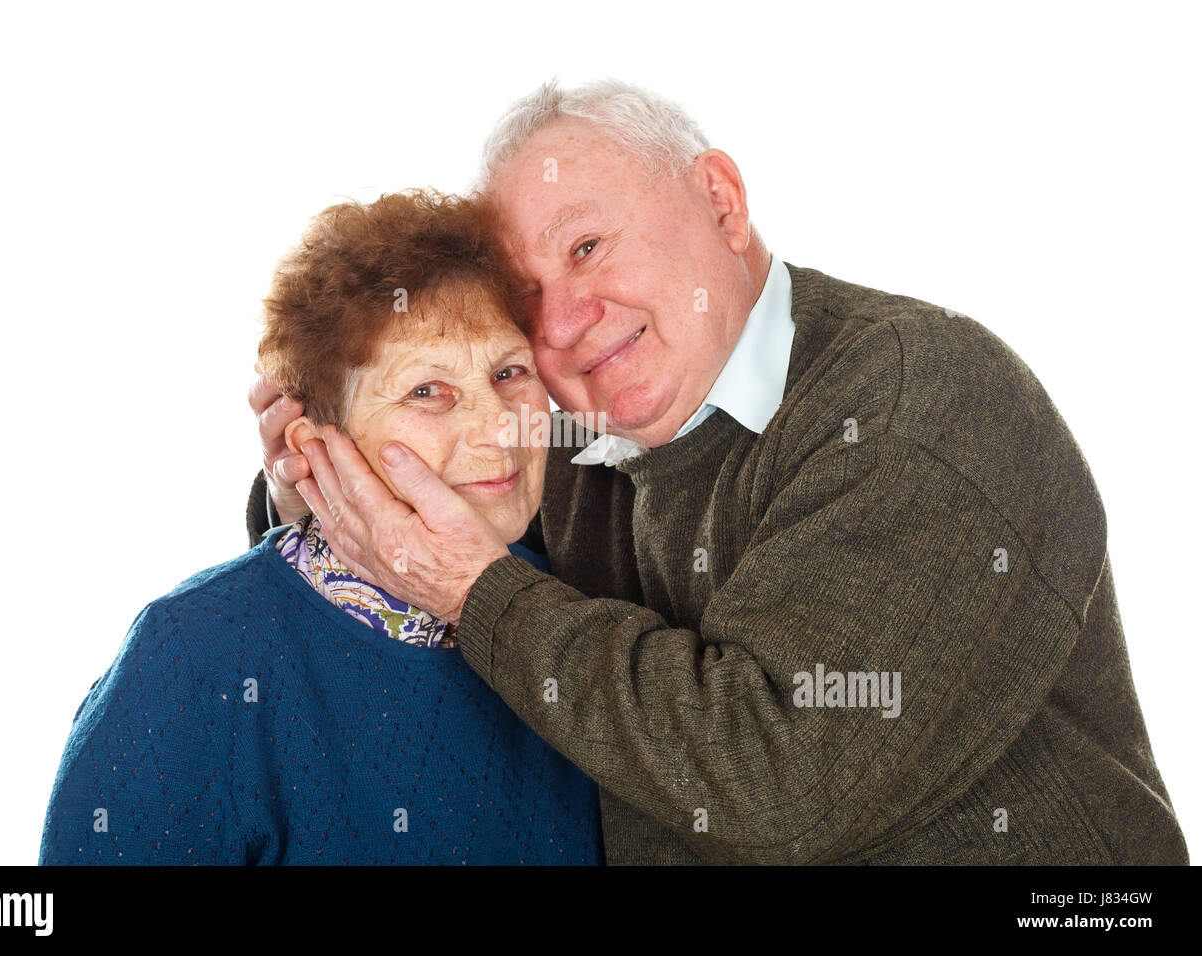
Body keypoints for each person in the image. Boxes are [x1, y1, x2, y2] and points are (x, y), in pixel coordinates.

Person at [247, 79, 1189, 865]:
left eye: (587, 247)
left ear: (722, 201)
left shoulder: (914, 395)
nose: (567, 319)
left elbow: (780, 782)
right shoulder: (575, 435)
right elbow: (427, 614)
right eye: (528, 296)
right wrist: (316, 498)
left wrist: (472, 586)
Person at [41, 189, 603, 865]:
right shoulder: (192, 658)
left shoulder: (574, 625)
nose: (499, 424)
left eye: (509, 372)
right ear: (314, 445)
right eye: (427, 391)